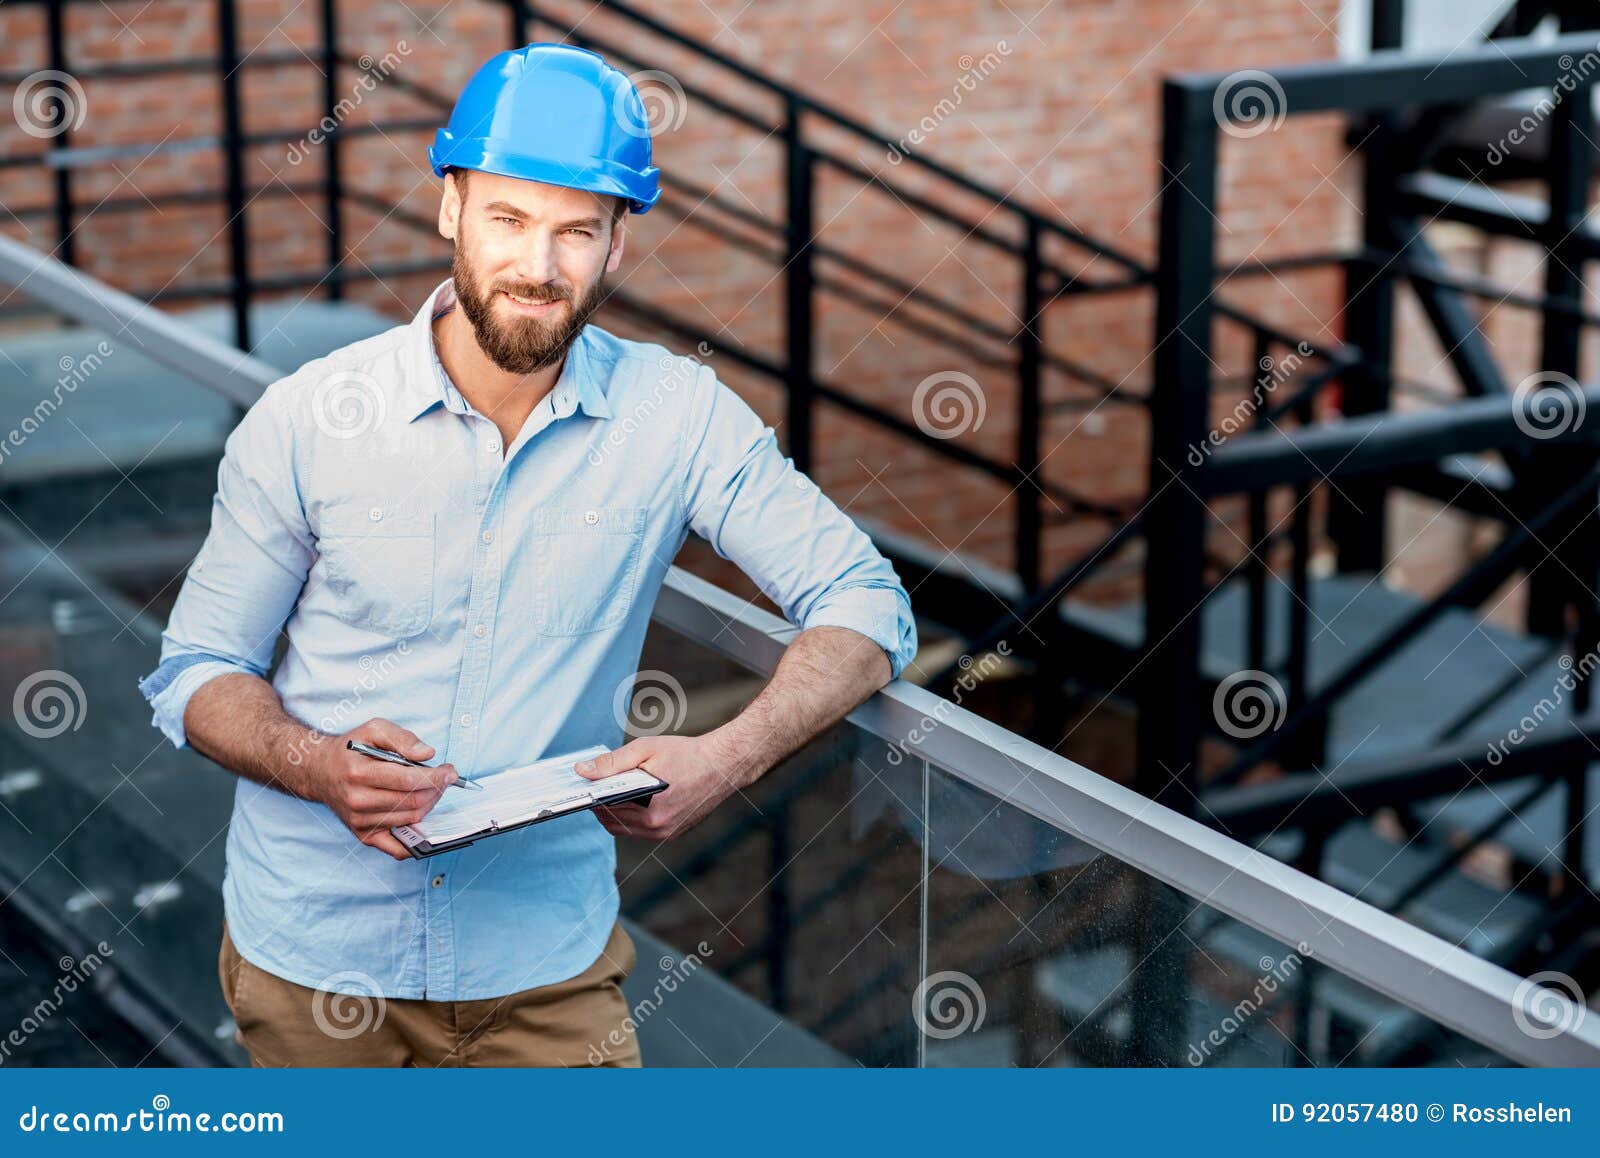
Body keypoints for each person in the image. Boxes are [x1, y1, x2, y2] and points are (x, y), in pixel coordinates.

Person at [138, 43, 916, 1067]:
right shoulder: (308, 420)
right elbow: (198, 672)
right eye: (507, 220)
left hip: (544, 968)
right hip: (320, 968)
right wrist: (318, 766)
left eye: (575, 233)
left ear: (616, 245)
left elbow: (867, 603)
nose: (538, 268)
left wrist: (724, 758)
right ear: (451, 207)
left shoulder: (677, 417)